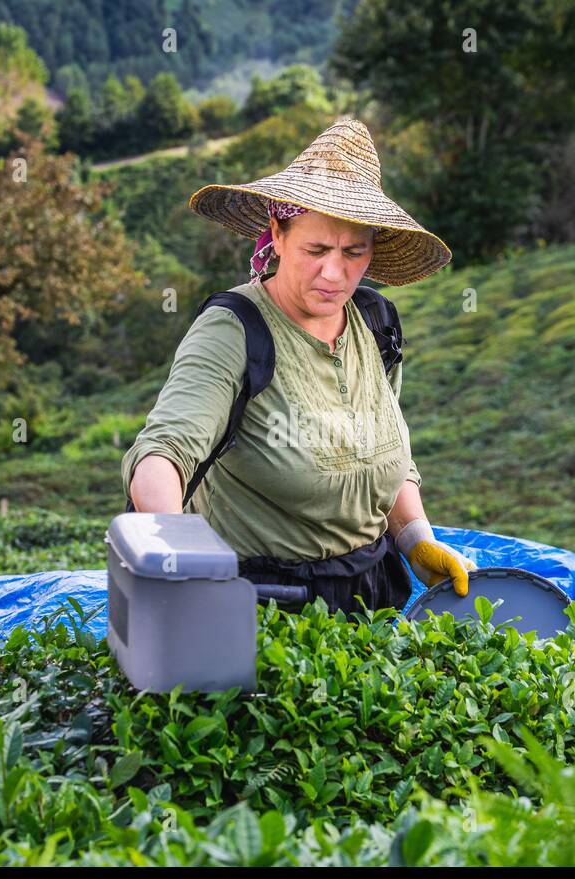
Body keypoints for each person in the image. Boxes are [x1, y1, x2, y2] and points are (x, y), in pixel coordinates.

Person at [122, 118, 475, 614]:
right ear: (278, 236)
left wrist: (416, 538)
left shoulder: (375, 323)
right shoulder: (236, 329)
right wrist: (183, 565)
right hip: (262, 602)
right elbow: (161, 455)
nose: (334, 273)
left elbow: (383, 453)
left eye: (354, 252)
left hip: (373, 594)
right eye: (316, 250)